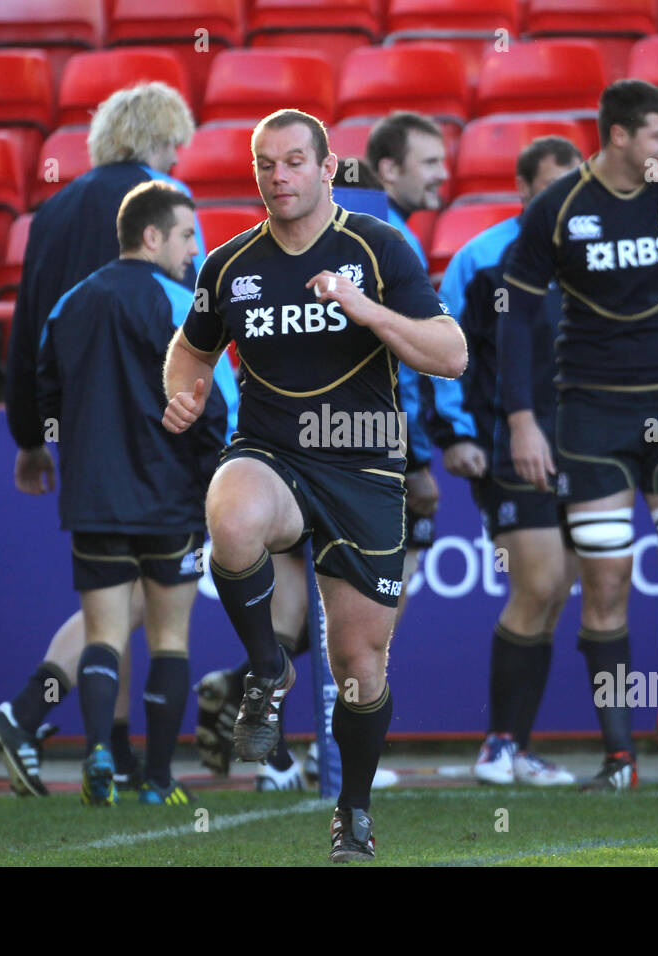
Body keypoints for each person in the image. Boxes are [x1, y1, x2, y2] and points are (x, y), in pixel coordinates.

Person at [163, 109, 466, 861]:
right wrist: (185, 388)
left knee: (360, 665)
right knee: (230, 521)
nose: (279, 176)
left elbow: (451, 355)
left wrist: (366, 309)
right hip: (270, 450)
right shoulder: (229, 264)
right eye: (266, 164)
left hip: (363, 462)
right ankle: (267, 670)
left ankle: (353, 811)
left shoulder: (380, 246)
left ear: (330, 169)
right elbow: (190, 348)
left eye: (295, 161)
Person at [500, 80, 658, 791]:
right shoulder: (558, 207)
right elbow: (518, 319)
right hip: (591, 414)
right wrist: (522, 417)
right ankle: (618, 755)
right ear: (618, 137)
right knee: (604, 584)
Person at [0, 82, 212, 795]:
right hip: (159, 432)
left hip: (83, 432)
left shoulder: (53, 209)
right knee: (147, 601)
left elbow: (27, 328)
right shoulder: (164, 202)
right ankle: (31, 711)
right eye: (174, 141)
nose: (179, 155)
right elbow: (197, 320)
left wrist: (29, 433)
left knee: (112, 606)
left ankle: (105, 752)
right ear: (156, 140)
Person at [37, 181, 229, 806]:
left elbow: (45, 397)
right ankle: (158, 779)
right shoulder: (180, 304)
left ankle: (98, 756)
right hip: (170, 499)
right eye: (186, 235)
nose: (192, 248)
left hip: (94, 500)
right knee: (170, 640)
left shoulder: (69, 303)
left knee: (103, 636)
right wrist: (211, 486)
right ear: (152, 236)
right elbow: (212, 407)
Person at [438, 135, 583, 785]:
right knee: (540, 583)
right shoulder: (481, 258)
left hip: (589, 450)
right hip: (506, 447)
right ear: (524, 190)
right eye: (555, 187)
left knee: (556, 595)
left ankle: (515, 747)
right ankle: (497, 745)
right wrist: (455, 435)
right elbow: (447, 357)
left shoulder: (595, 254)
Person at [368, 113, 487, 612]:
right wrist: (415, 462)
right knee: (382, 600)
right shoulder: (396, 242)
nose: (444, 174)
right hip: (384, 455)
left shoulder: (338, 229)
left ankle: (252, 674)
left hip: (320, 439)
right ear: (389, 170)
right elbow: (405, 366)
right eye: (431, 162)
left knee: (328, 595)